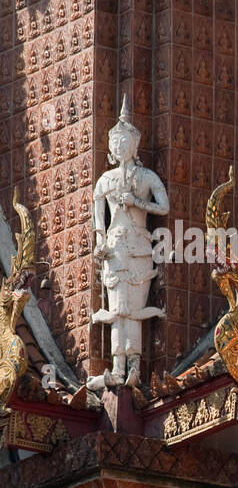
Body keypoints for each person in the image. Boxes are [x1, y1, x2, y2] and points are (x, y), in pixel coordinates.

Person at [87, 97, 167, 391]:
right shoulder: (104, 181)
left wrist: (136, 201)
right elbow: (99, 216)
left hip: (139, 246)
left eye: (124, 142)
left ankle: (134, 364)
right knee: (117, 307)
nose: (119, 147)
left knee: (134, 306)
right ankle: (117, 367)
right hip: (114, 247)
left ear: (134, 146)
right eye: (115, 143)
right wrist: (99, 240)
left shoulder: (146, 177)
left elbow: (164, 206)